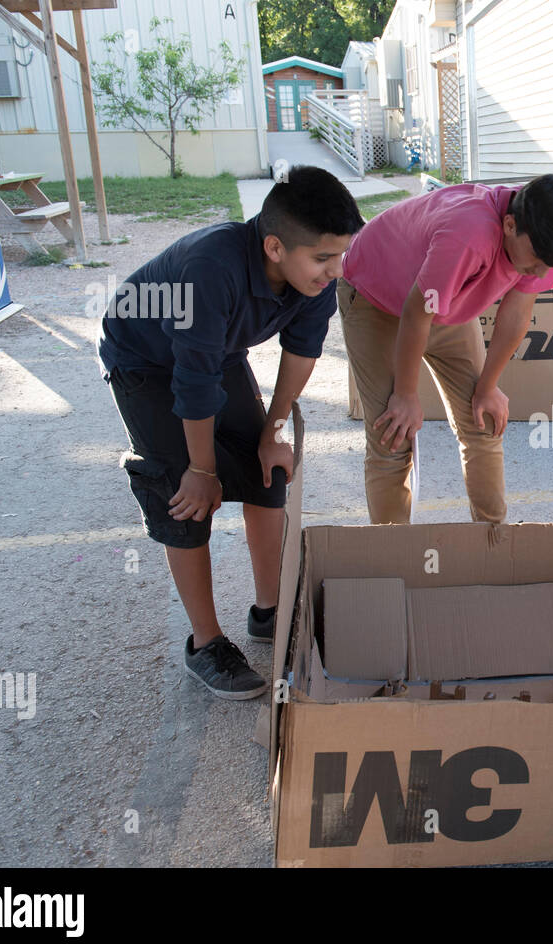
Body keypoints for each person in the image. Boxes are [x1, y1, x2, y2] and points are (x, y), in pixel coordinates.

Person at [99, 165, 363, 698]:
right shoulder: (210, 268)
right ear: (274, 247)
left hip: (212, 353)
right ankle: (206, 644)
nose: (335, 271)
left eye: (342, 256)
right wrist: (201, 470)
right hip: (145, 362)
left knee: (268, 472)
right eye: (323, 258)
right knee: (186, 497)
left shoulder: (314, 277)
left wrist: (274, 430)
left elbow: (302, 353)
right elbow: (192, 384)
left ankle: (270, 612)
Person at [339, 174, 553, 524]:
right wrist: (406, 394)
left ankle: (492, 546)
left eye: (549, 265)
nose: (540, 271)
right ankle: (393, 560)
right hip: (378, 297)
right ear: (508, 224)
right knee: (393, 436)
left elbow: (517, 312)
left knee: (483, 422)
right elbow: (417, 313)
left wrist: (488, 388)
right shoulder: (470, 235)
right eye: (536, 260)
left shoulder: (544, 237)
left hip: (442, 300)